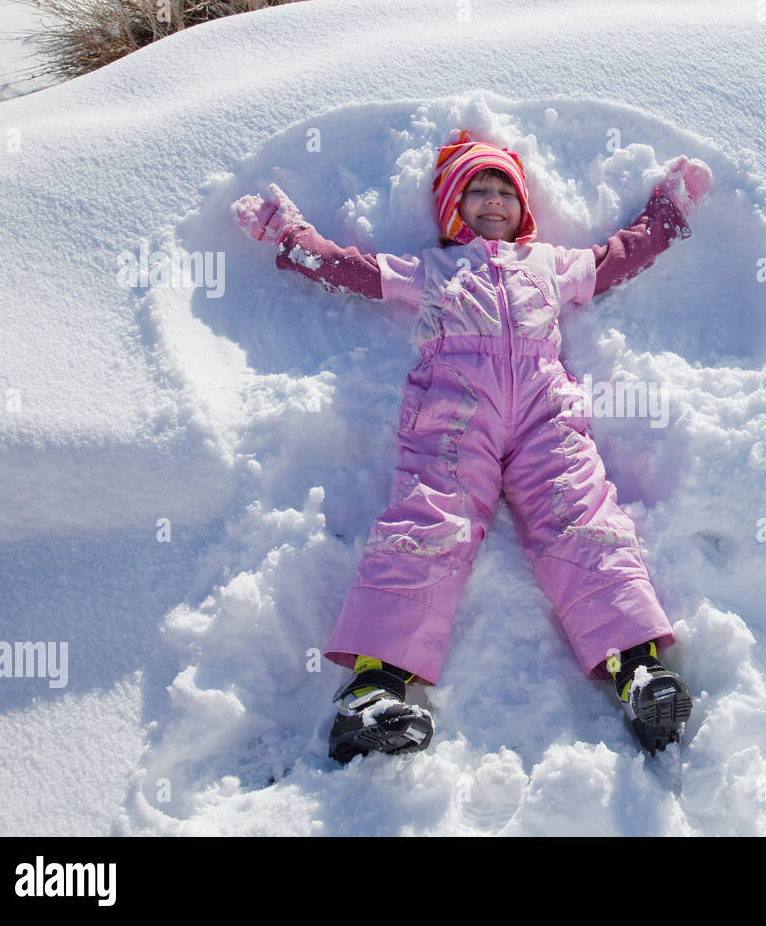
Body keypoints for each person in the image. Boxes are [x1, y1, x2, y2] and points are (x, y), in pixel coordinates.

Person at [231, 131, 711, 760]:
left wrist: (667, 211)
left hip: (545, 411)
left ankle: (638, 669)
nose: (491, 200)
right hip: (454, 413)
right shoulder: (433, 270)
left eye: (503, 189)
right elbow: (349, 268)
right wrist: (290, 237)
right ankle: (374, 689)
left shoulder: (551, 264)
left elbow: (620, 254)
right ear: (453, 209)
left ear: (523, 208)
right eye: (475, 190)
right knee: (430, 519)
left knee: (580, 513)